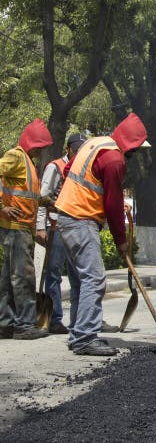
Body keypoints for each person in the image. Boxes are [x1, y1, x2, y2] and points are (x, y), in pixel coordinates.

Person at [55, 113, 149, 355]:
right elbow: (113, 204)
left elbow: (68, 170)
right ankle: (85, 338)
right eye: (136, 149)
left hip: (66, 216)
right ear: (130, 144)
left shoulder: (94, 143)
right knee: (94, 279)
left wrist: (80, 195)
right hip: (81, 220)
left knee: (81, 281)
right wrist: (121, 241)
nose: (134, 153)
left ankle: (78, 333)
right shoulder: (115, 160)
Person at [0, 119, 53, 340]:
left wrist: (47, 202)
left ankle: (5, 323)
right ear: (31, 142)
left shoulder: (28, 162)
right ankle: (24, 325)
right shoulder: (15, 156)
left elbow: (27, 195)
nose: (40, 151)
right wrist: (2, 207)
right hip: (16, 228)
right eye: (39, 146)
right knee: (24, 276)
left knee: (8, 278)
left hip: (20, 228)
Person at [35, 133, 86, 334]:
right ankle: (54, 319)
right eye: (76, 150)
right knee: (54, 273)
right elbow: (43, 198)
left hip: (74, 227)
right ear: (68, 149)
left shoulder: (82, 167)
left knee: (77, 275)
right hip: (55, 226)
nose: (78, 153)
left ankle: (79, 320)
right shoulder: (55, 167)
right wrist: (40, 227)